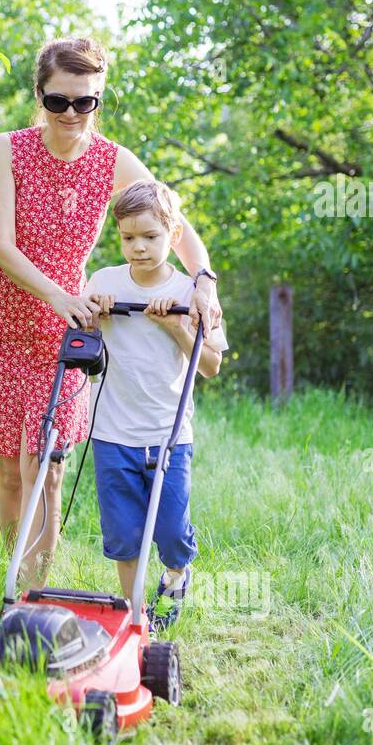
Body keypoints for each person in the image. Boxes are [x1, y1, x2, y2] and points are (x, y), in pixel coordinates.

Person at [0, 36, 222, 589]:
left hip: (66, 324)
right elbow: (0, 243)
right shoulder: (8, 148)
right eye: (58, 102)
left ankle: (39, 585)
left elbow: (176, 226)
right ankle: (16, 581)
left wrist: (205, 281)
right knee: (8, 470)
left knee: (47, 464)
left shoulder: (113, 161)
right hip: (0, 317)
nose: (72, 113)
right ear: (40, 96)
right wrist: (56, 295)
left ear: (99, 99)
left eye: (85, 102)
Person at [84, 180, 229, 628]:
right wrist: (95, 316)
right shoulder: (105, 281)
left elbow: (210, 367)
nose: (139, 247)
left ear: (174, 236)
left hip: (168, 435)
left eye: (150, 237)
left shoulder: (191, 293)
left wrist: (176, 328)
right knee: (124, 536)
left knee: (169, 533)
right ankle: (134, 616)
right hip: (111, 433)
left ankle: (177, 572)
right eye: (129, 237)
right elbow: (85, 348)